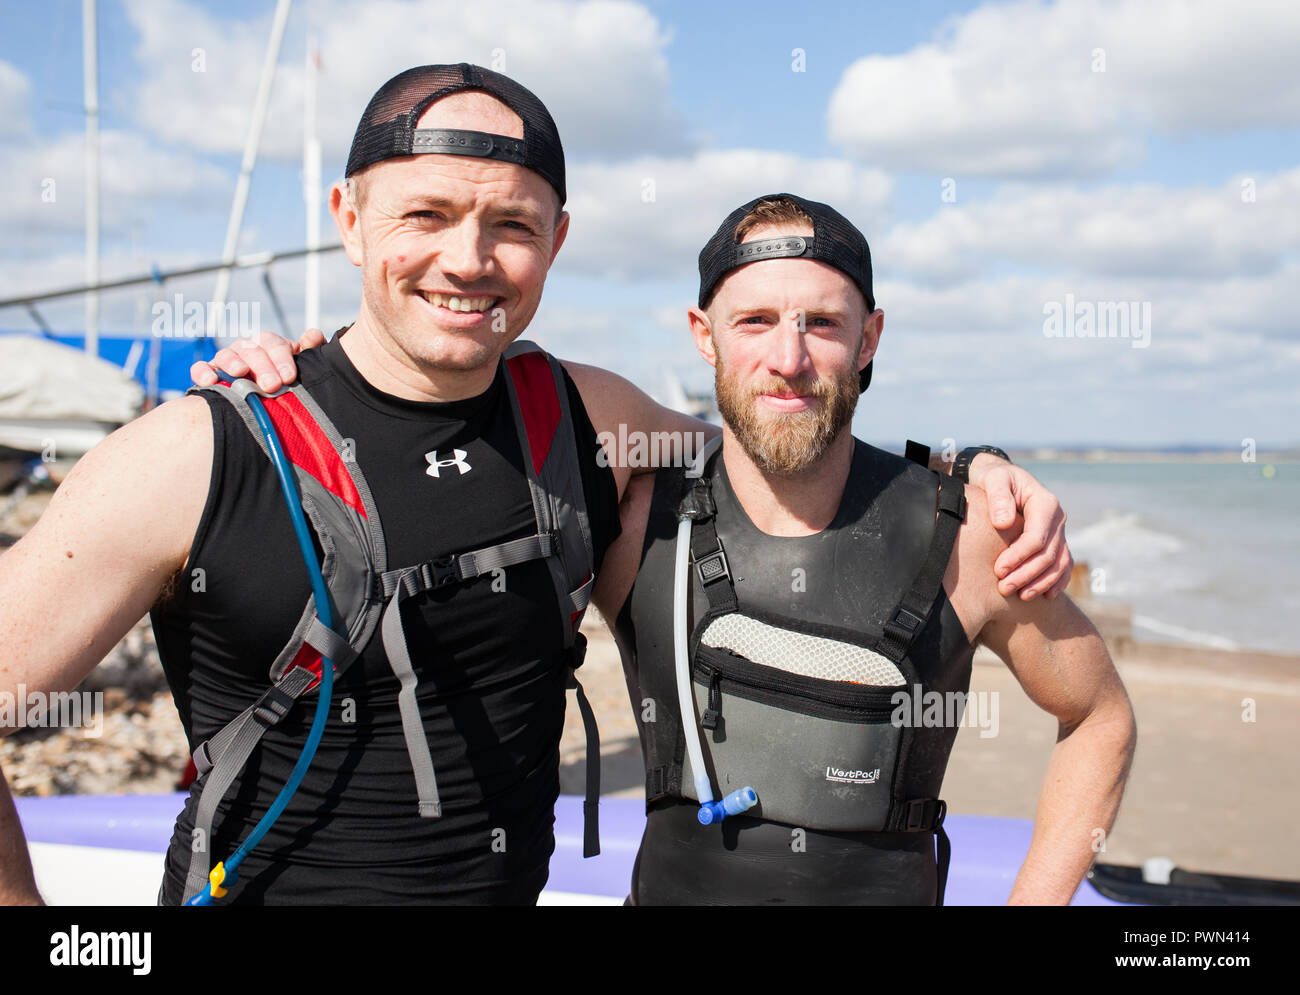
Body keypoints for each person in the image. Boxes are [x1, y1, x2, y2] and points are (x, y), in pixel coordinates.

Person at [0, 65, 1070, 906]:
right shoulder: (197, 452)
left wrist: (970, 471)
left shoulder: (584, 418)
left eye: (511, 224)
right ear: (348, 217)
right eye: (424, 215)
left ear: (555, 240)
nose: (468, 259)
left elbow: (781, 441)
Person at [589, 193, 1136, 905]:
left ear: (869, 338)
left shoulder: (967, 537)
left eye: (822, 323)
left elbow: (1100, 714)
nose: (789, 358)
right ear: (704, 333)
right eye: (754, 321)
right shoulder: (639, 518)